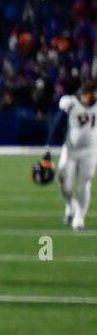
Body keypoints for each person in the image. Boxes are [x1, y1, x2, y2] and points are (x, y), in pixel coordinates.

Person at [55, 81, 96, 230]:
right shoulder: (70, 103)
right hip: (71, 149)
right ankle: (70, 206)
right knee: (64, 183)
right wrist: (47, 148)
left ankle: (79, 219)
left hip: (90, 151)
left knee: (85, 184)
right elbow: (57, 123)